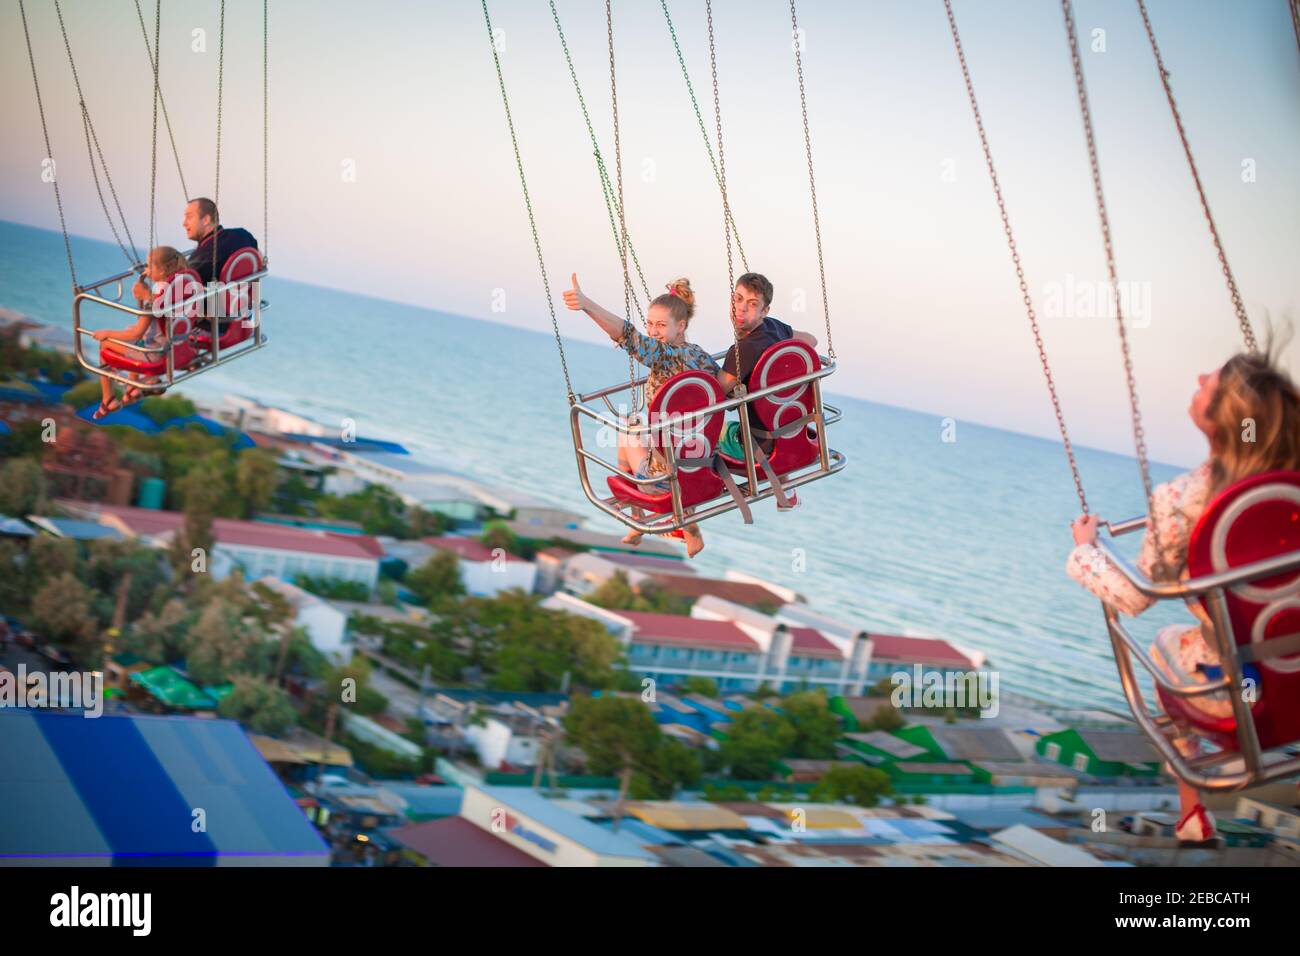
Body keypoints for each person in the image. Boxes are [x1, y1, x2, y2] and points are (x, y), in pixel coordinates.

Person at [1066, 337, 1300, 844]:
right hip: (1295, 679)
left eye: (1208, 381)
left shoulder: (1179, 501)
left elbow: (1133, 595)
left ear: (1216, 422)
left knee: (1165, 645)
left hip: (1241, 697)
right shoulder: (1290, 489)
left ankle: (1192, 808)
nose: (1198, 378)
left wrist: (1087, 549)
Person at [563, 273, 718, 557]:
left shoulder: (666, 356)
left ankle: (641, 516)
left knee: (625, 430)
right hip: (703, 459)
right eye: (650, 324)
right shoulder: (701, 357)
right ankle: (662, 520)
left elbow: (627, 335)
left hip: (667, 472)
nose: (653, 330)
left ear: (680, 325)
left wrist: (587, 305)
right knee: (646, 427)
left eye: (661, 325)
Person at [715, 273, 818, 500]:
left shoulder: (743, 352)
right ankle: (786, 490)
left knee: (693, 434)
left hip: (755, 446)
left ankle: (690, 494)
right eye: (738, 299)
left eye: (752, 304)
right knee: (754, 417)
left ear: (764, 311)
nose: (741, 308)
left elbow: (714, 395)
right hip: (789, 431)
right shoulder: (775, 328)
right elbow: (811, 341)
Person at [132, 197, 258, 336]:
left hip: (212, 326)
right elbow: (259, 261)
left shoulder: (201, 260)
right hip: (241, 316)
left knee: (148, 329)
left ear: (206, 220)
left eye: (189, 217)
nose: (184, 223)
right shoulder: (242, 235)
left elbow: (172, 302)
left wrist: (147, 295)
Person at [92, 246, 190, 418]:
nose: (146, 269)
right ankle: (132, 387)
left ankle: (108, 399)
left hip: (152, 353)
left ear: (162, 270)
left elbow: (137, 333)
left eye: (149, 266)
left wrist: (105, 332)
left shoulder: (154, 296)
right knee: (128, 331)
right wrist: (144, 292)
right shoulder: (177, 288)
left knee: (106, 342)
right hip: (170, 346)